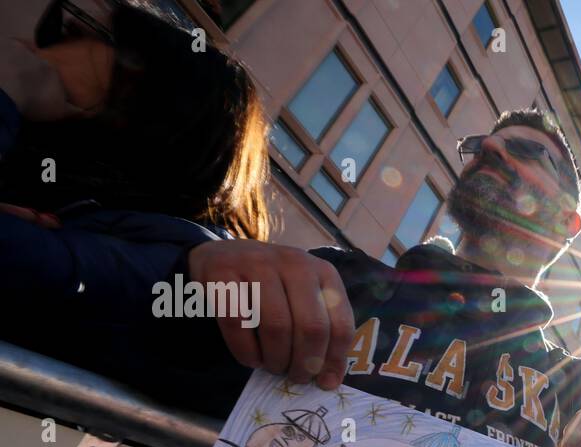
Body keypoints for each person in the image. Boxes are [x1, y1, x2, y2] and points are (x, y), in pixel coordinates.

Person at [0, 0, 356, 416]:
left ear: (138, 94)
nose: (34, 45)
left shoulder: (179, 270)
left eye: (75, 31)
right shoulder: (86, 226)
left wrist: (9, 83)